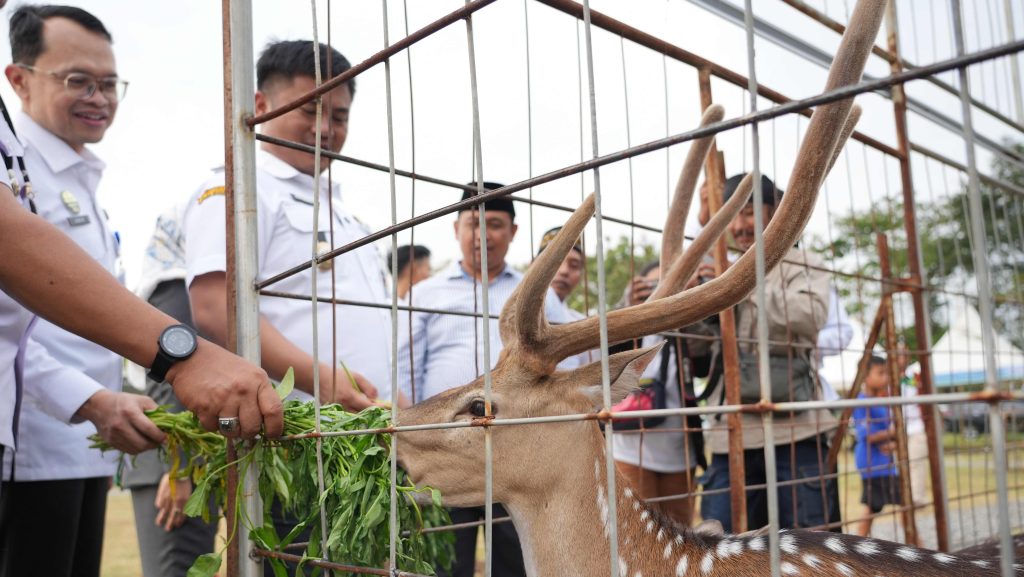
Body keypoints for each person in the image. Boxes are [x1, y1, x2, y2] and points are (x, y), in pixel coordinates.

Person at [183, 39, 394, 577]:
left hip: (361, 441)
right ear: (260, 104)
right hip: (298, 441)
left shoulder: (346, 212)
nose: (327, 128)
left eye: (340, 115)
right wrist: (324, 381)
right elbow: (214, 308)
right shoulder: (237, 187)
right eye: (311, 110)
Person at [0, 7, 169, 576]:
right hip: (33, 443)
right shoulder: (18, 173)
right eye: (78, 80)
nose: (98, 97)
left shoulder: (75, 173)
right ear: (18, 78)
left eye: (108, 83)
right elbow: (13, 323)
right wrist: (92, 400)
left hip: (90, 441)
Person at [398, 183, 574, 577]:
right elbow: (403, 370)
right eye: (472, 224)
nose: (483, 234)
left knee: (516, 563)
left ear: (512, 232)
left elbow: (564, 369)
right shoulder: (425, 295)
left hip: (515, 455)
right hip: (445, 453)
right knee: (442, 564)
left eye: (494, 224)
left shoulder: (538, 295)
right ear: (455, 230)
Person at [698, 173, 839, 532]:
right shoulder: (714, 270)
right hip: (730, 433)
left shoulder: (803, 262)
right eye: (731, 215)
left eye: (748, 212)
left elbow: (810, 317)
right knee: (722, 552)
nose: (740, 225)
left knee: (808, 549)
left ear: (775, 211)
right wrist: (694, 301)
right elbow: (698, 354)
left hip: (796, 431)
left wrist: (740, 283)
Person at [123, 203, 219, 577]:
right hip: (173, 460)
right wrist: (180, 467)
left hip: (191, 460)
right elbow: (169, 372)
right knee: (179, 569)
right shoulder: (173, 282)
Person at [612, 261, 711, 526]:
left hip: (680, 452)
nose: (663, 292)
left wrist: (694, 304)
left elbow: (704, 366)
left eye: (671, 285)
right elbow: (609, 355)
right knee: (635, 532)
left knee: (681, 535)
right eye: (653, 287)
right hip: (630, 451)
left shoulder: (685, 329)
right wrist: (627, 309)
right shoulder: (631, 328)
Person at [852, 355, 901, 537]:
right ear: (865, 376)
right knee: (879, 506)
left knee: (875, 506)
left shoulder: (882, 401)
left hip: (884, 462)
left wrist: (893, 442)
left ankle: (858, 543)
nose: (885, 377)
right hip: (872, 463)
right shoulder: (861, 401)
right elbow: (869, 435)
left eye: (887, 372)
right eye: (880, 373)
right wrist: (895, 431)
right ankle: (857, 544)